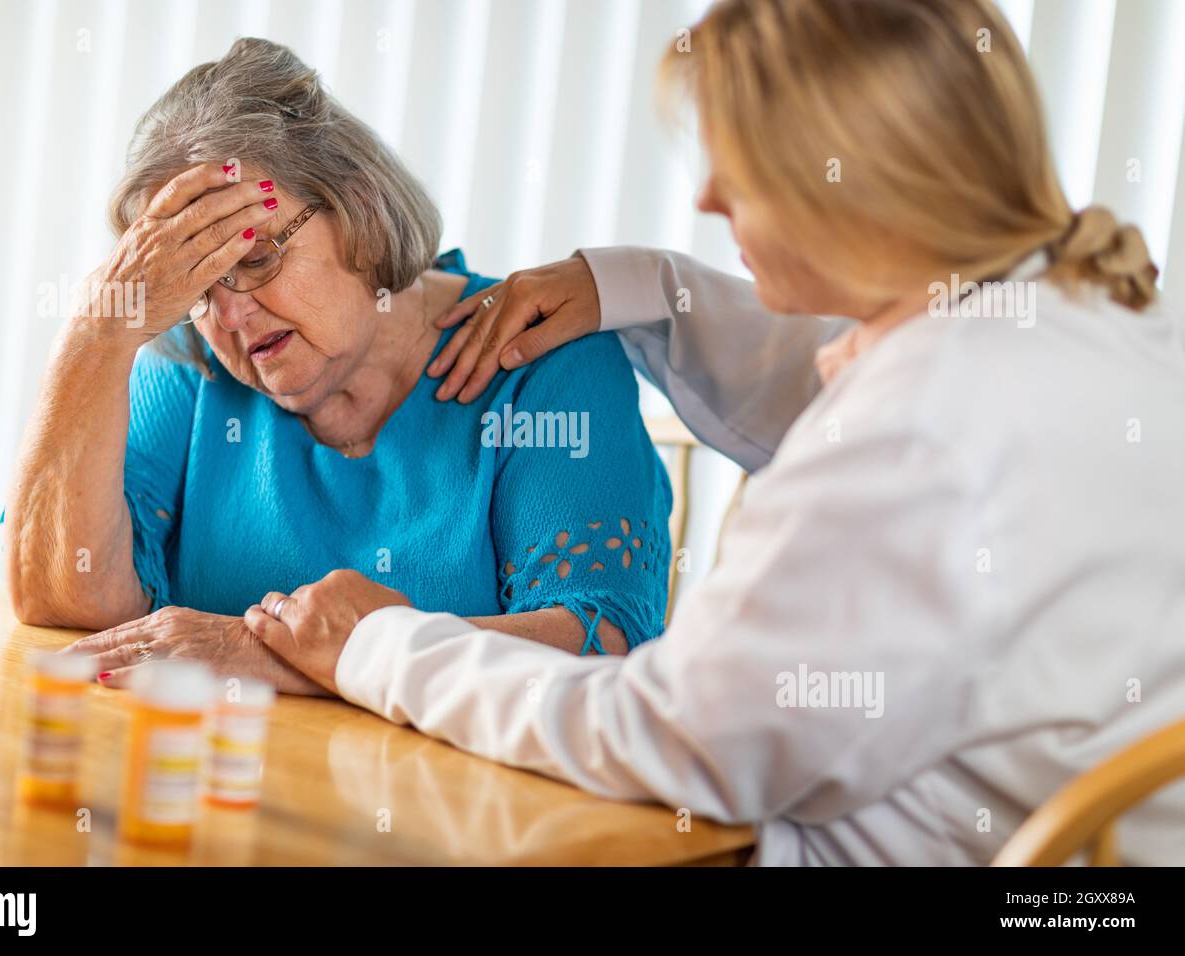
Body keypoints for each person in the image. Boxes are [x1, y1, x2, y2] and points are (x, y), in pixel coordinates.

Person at [231, 0, 1185, 864]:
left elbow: (672, 743)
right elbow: (808, 372)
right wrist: (635, 284)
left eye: (743, 161)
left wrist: (379, 645)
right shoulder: (1095, 324)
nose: (709, 198)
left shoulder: (913, 429)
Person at [5, 38, 672, 692]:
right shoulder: (190, 365)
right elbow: (62, 601)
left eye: (255, 257)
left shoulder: (545, 358)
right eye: (195, 287)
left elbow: (601, 650)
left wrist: (293, 655)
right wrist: (98, 332)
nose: (229, 319)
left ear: (360, 209)